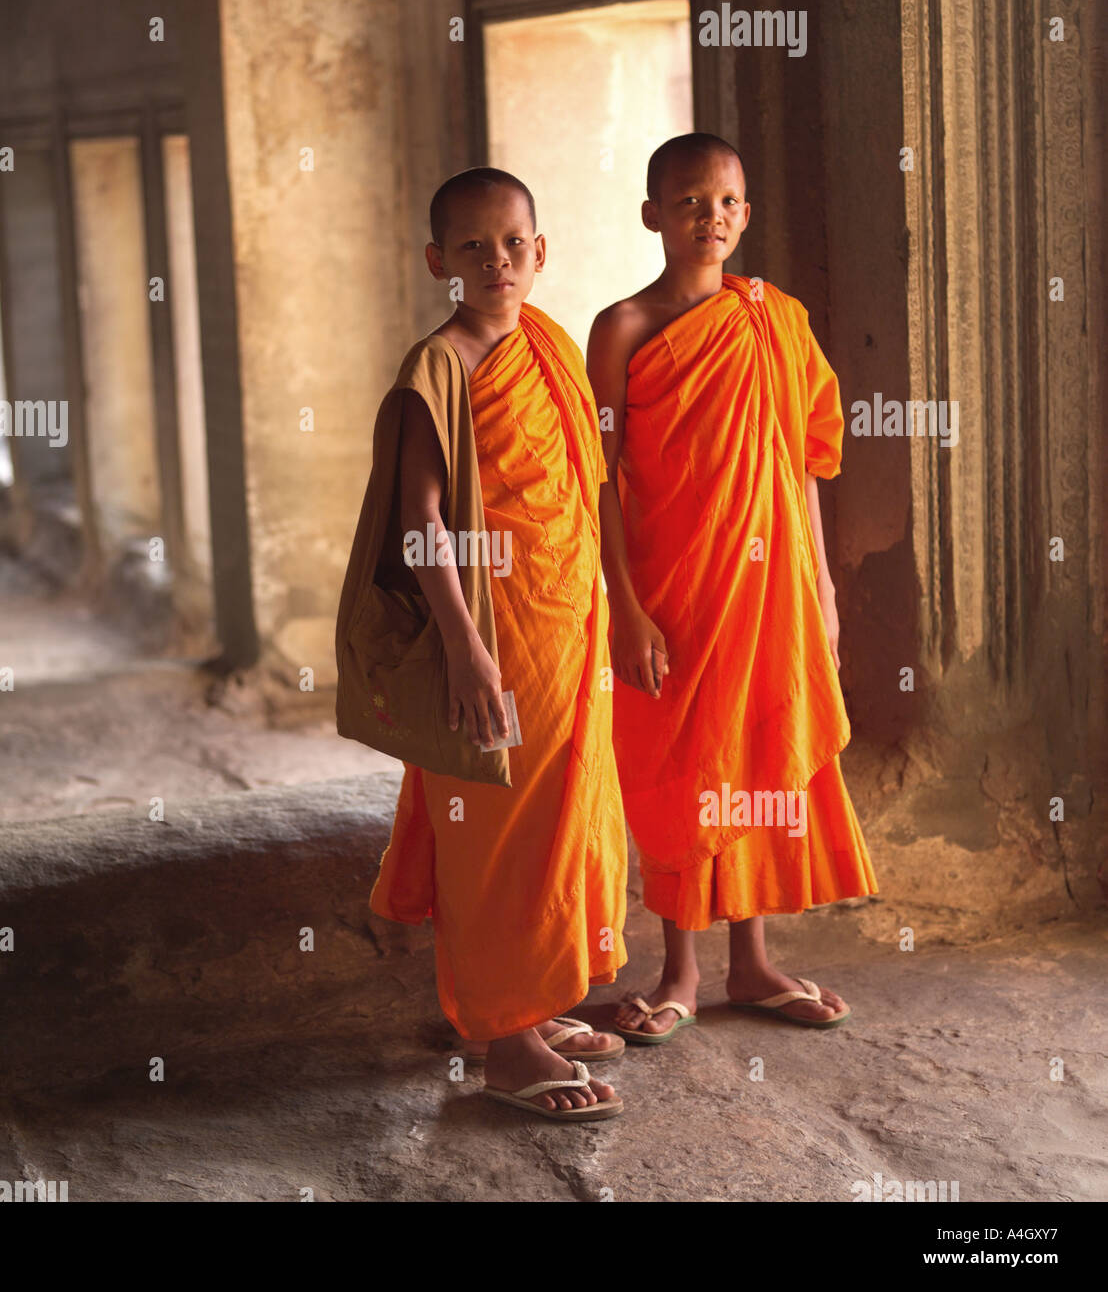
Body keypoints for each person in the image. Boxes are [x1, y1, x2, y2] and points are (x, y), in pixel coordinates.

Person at [347, 168, 629, 1119]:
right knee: (497, 832)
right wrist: (465, 651)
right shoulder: (441, 367)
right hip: (494, 629)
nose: (498, 261)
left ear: (540, 251)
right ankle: (505, 1047)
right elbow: (420, 520)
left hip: (564, 620)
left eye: (514, 242)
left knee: (560, 815)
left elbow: (582, 485)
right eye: (473, 247)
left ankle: (534, 1009)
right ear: (440, 262)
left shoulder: (547, 344)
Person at [586, 133, 878, 1042]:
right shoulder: (622, 328)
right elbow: (596, 474)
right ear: (651, 216)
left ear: (745, 215)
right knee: (681, 765)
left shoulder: (773, 319)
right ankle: (679, 970)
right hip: (672, 587)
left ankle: (750, 963)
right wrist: (623, 606)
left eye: (724, 203)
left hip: (773, 584)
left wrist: (823, 587)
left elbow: (803, 464)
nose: (708, 218)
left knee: (755, 753)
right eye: (687, 203)